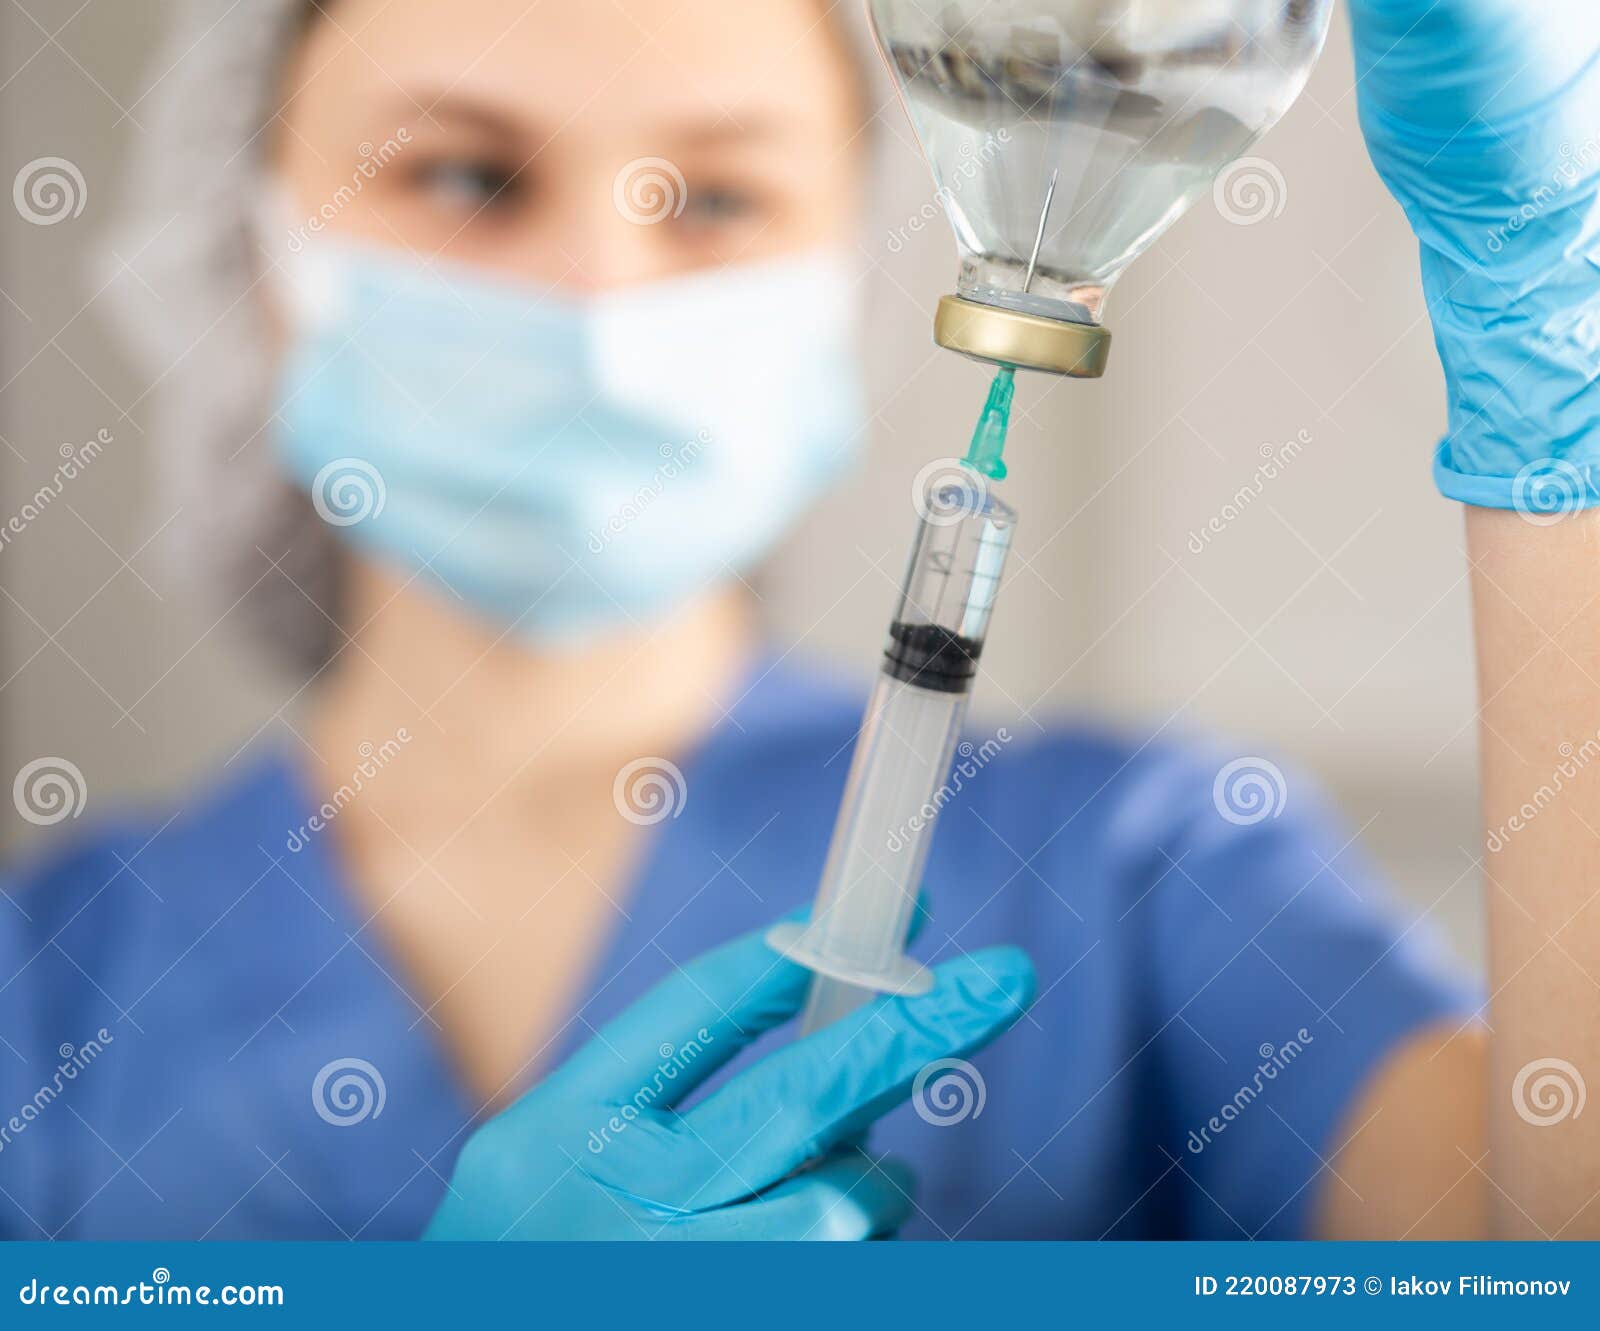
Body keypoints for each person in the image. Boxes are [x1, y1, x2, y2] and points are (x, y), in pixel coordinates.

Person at [1, 0, 1595, 1240]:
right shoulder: (47, 996)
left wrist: (1550, 364)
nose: (601, 293)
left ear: (849, 270)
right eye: (468, 177)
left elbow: (1544, 1253)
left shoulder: (1144, 870)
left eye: (715, 197)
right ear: (248, 248)